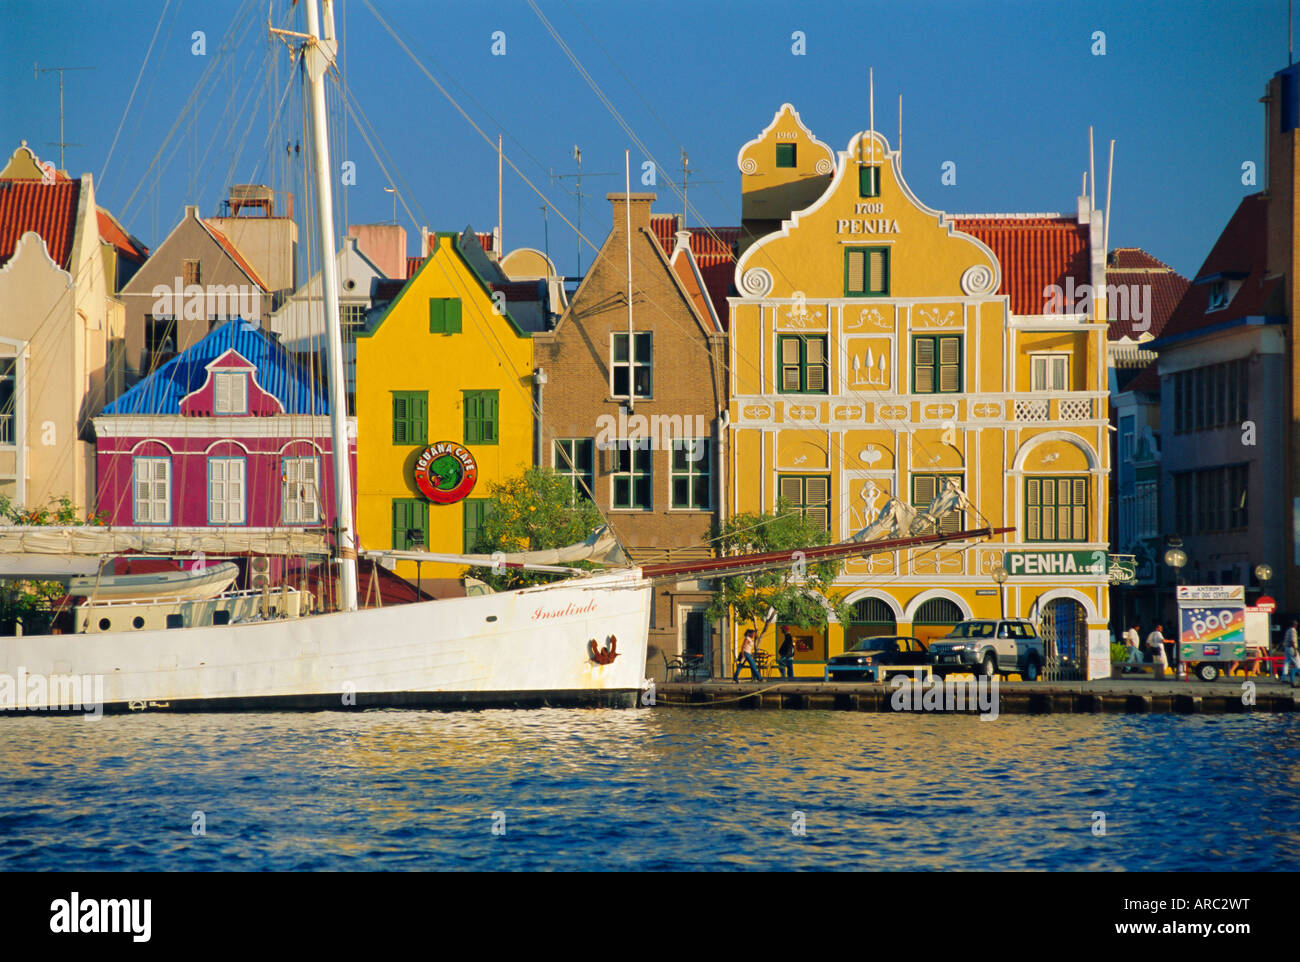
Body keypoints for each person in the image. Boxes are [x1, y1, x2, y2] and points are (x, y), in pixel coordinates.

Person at [1283, 621, 1300, 687]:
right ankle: (1298, 675)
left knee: (1286, 663)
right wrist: (1295, 650)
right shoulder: (1293, 631)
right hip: (1292, 648)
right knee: (1298, 662)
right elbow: (1293, 640)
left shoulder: (1288, 631)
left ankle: (1284, 677)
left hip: (1287, 648)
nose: (1297, 626)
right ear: (1294, 625)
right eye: (1296, 625)